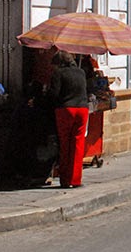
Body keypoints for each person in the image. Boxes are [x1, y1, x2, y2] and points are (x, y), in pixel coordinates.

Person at [48, 51, 89, 189]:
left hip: (66, 110)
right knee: (78, 144)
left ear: (59, 63)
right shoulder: (81, 72)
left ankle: (65, 180)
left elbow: (54, 94)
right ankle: (75, 179)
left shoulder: (59, 73)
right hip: (82, 109)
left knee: (65, 144)